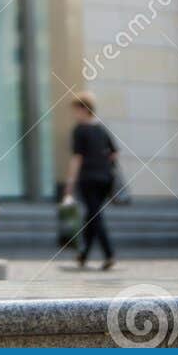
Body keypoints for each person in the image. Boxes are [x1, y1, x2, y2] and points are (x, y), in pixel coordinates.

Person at [62, 92, 118, 270]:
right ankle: (83, 255)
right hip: (105, 178)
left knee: (95, 216)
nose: (74, 114)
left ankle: (109, 254)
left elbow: (76, 158)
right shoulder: (101, 129)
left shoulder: (80, 130)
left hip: (88, 179)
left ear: (84, 109)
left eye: (76, 110)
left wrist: (70, 183)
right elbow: (114, 153)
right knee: (92, 215)